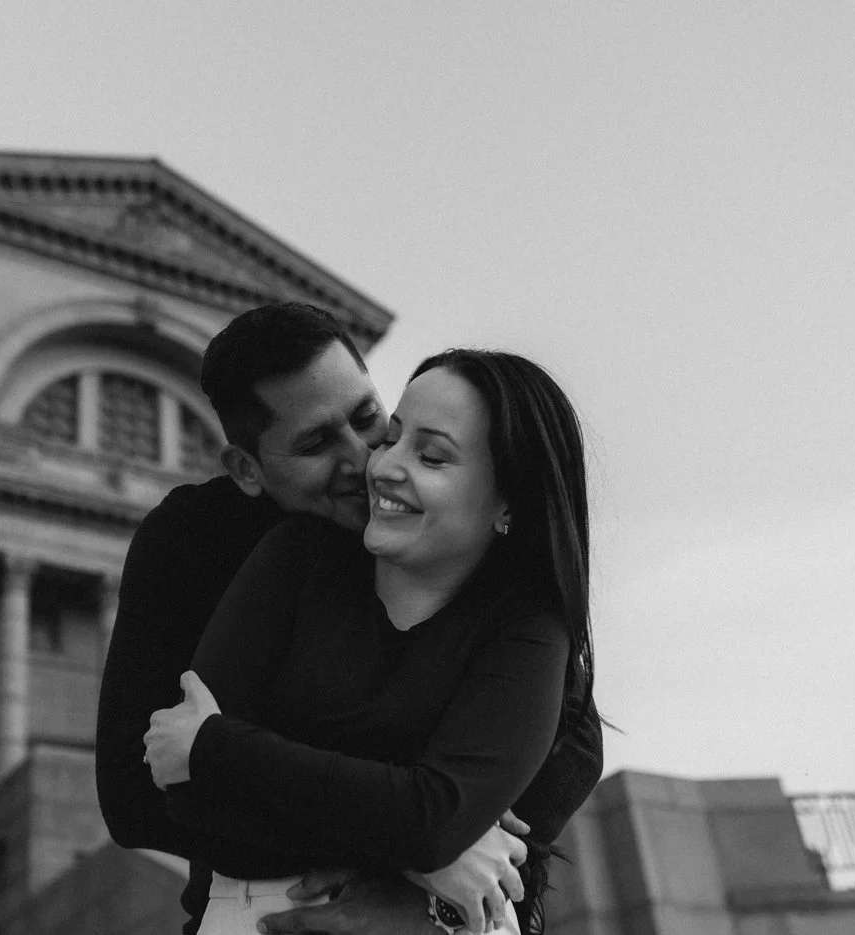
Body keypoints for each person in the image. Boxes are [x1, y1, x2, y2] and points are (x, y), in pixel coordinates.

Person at [95, 305, 602, 934]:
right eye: (315, 444)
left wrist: (429, 859)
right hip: (263, 907)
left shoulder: (499, 578)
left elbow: (568, 752)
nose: (366, 459)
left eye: (369, 420)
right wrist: (416, 853)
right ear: (248, 470)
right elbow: (140, 792)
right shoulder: (202, 542)